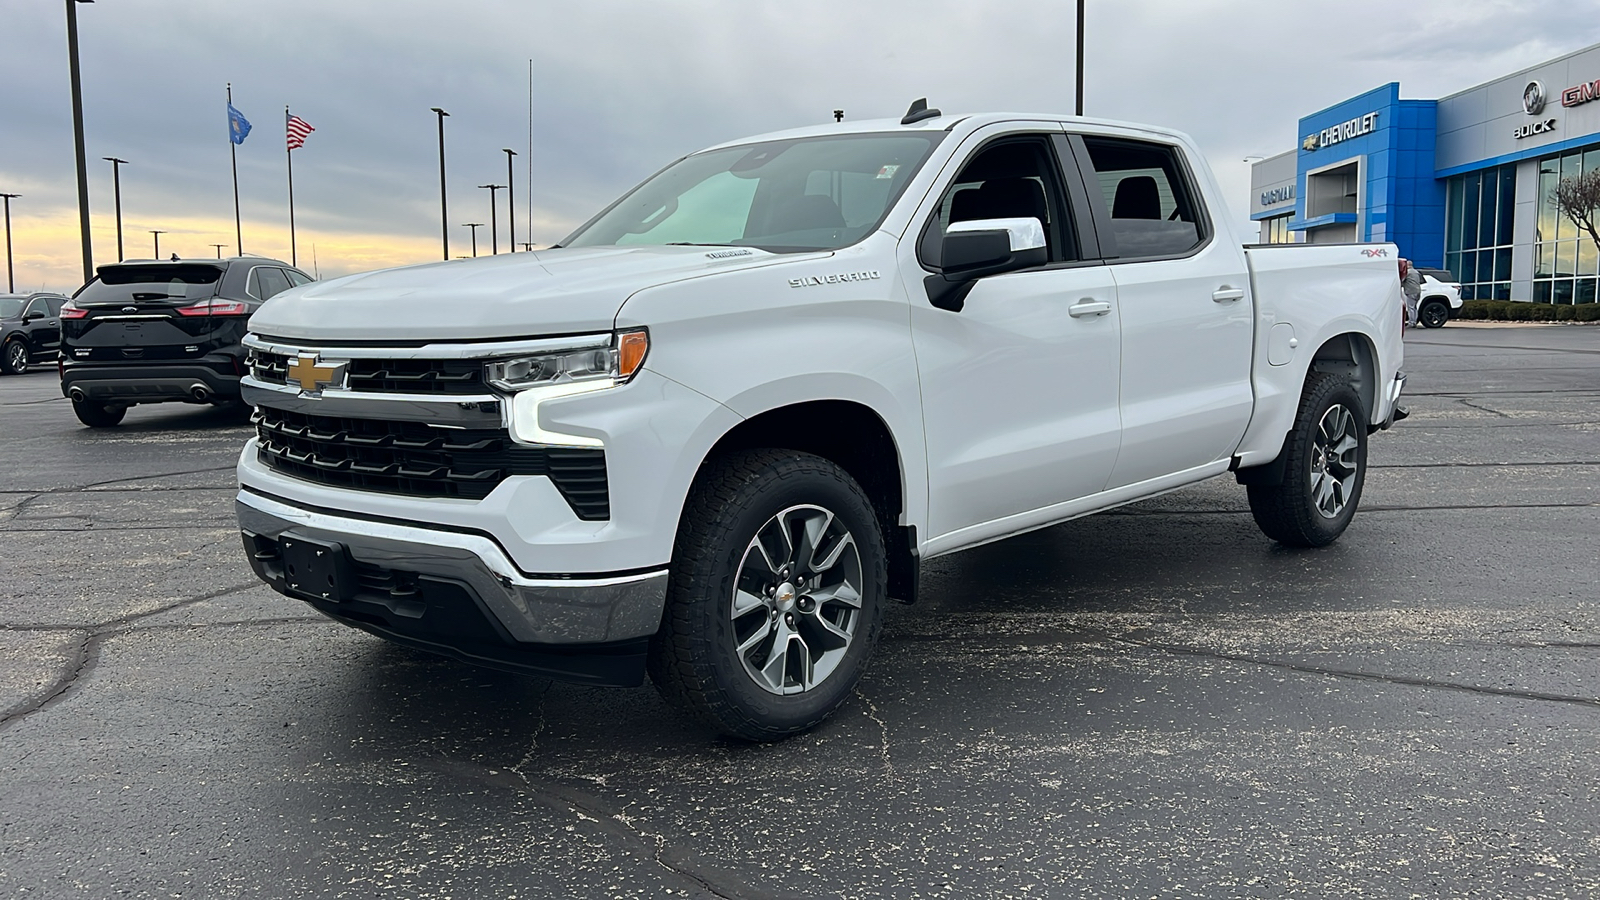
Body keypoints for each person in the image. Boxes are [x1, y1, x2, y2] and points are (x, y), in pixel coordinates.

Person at [1400, 258, 1422, 327]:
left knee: (1411, 308)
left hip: (1411, 291)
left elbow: (1402, 280)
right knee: (1415, 307)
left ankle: (1411, 323)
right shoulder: (1416, 272)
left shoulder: (1407, 272)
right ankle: (1414, 321)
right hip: (1418, 291)